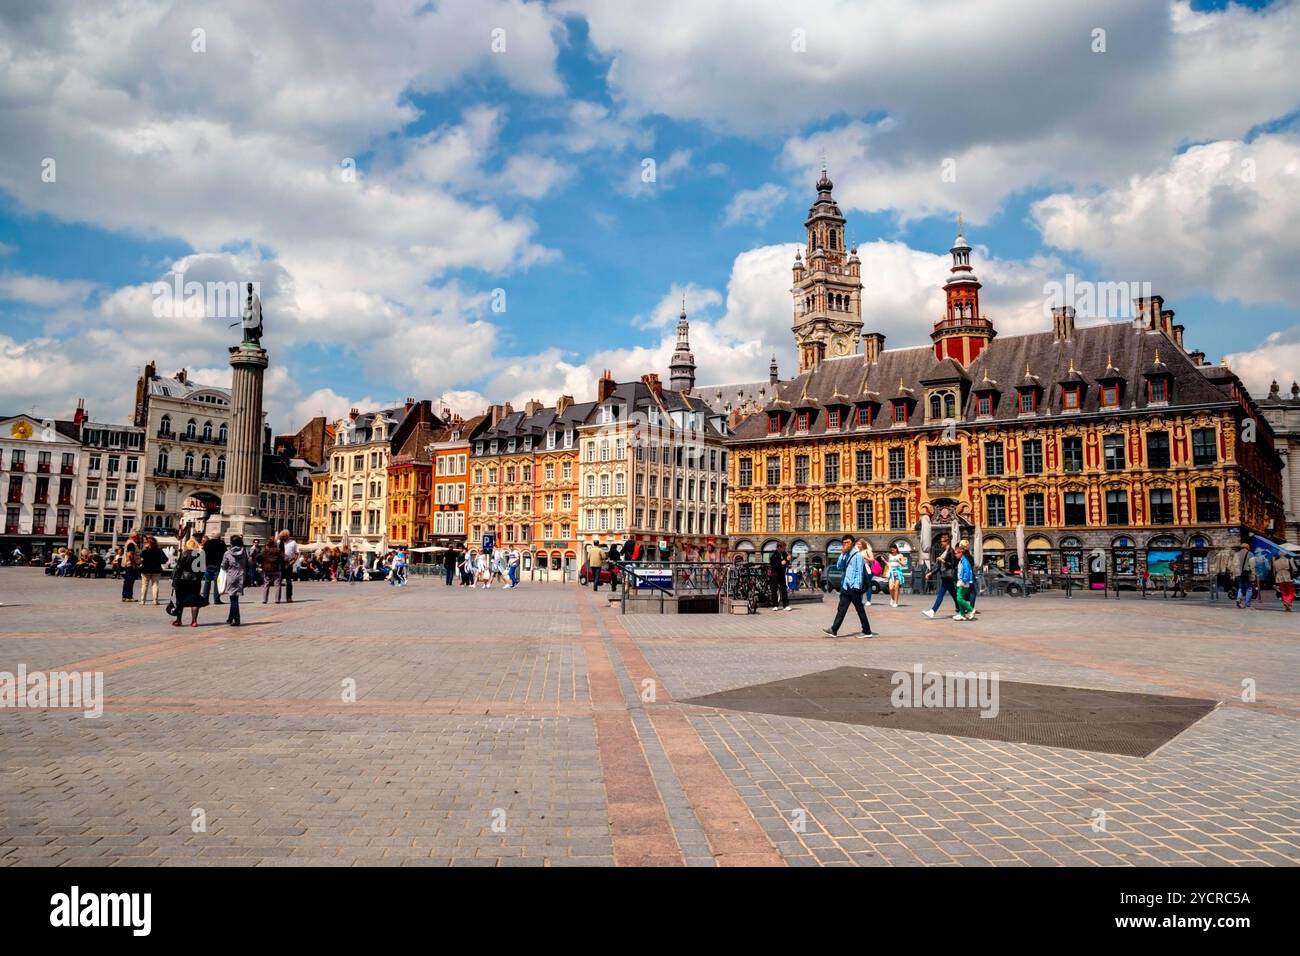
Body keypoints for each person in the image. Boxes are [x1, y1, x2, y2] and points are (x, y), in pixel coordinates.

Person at [823, 536, 873, 639]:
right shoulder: (846, 554)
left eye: (848, 542)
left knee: (860, 609)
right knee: (841, 609)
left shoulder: (858, 555)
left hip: (854, 587)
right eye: (844, 543)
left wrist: (857, 586)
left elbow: (859, 572)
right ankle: (834, 630)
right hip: (846, 586)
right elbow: (839, 566)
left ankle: (867, 631)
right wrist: (842, 553)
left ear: (853, 543)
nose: (845, 544)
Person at [170, 538, 206, 628]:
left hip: (182, 580)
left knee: (180, 600)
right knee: (194, 601)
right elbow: (202, 570)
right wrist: (198, 578)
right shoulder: (199, 555)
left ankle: (179, 620)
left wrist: (174, 580)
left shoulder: (184, 554)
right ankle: (194, 621)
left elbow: (178, 568)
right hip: (195, 581)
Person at [922, 533, 958, 619]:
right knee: (954, 595)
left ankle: (932, 611)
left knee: (940, 594)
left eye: (942, 542)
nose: (941, 543)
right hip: (945, 575)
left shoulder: (951, 551)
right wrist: (930, 573)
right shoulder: (944, 551)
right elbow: (938, 566)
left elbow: (953, 564)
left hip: (948, 576)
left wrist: (943, 561)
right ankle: (963, 610)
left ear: (947, 542)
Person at [221, 535, 250, 626]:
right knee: (234, 597)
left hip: (232, 576)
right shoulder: (244, 552)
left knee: (233, 599)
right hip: (241, 575)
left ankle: (237, 619)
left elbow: (224, 566)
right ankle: (230, 617)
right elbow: (248, 563)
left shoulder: (227, 553)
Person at [138, 535, 165, 606]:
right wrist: (159, 562)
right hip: (156, 569)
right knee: (155, 585)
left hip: (145, 569)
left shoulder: (145, 551)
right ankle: (155, 601)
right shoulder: (159, 551)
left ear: (148, 543)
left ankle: (142, 601)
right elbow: (165, 559)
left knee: (144, 585)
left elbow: (140, 558)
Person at [201, 533, 226, 605]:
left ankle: (205, 599)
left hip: (208, 565)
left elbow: (203, 553)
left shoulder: (207, 543)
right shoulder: (221, 543)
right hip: (218, 565)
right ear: (219, 537)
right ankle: (216, 599)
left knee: (207, 582)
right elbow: (225, 553)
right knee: (217, 583)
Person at [953, 544, 976, 621]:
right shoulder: (962, 561)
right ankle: (962, 614)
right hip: (961, 581)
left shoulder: (965, 561)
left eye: (956, 553)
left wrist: (964, 580)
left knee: (959, 598)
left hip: (963, 582)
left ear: (960, 553)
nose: (955, 555)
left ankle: (971, 609)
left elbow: (967, 571)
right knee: (961, 597)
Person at [1230, 541, 1255, 609]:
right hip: (1247, 573)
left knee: (1241, 587)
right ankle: (1248, 605)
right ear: (1247, 547)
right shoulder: (1250, 554)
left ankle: (1239, 598)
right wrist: (1253, 574)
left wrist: (1233, 574)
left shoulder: (1236, 554)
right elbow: (1252, 565)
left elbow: (1233, 565)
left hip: (1238, 574)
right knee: (1249, 588)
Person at [261, 535, 285, 603]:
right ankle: (277, 600)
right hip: (276, 569)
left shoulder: (265, 551)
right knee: (277, 585)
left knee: (266, 584)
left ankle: (264, 600)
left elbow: (259, 557)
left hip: (267, 569)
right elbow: (283, 557)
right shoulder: (278, 550)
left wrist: (263, 563)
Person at [769, 542, 792, 611]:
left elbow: (786, 563)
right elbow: (773, 565)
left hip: (782, 573)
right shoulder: (773, 554)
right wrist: (781, 563)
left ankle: (786, 605)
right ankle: (775, 605)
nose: (785, 549)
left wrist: (788, 559)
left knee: (784, 589)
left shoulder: (784, 553)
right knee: (774, 589)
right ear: (779, 547)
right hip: (775, 573)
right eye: (783, 548)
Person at [120, 531, 141, 602]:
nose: (138, 538)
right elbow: (130, 555)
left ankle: (125, 596)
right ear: (134, 537)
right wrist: (134, 564)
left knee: (127, 581)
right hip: (130, 565)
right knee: (129, 581)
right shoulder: (131, 544)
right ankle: (128, 596)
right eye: (138, 536)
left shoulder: (129, 542)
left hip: (128, 564)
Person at [280, 531, 299, 602]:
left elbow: (297, 553)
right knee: (278, 580)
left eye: (283, 537)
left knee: (288, 581)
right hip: (281, 563)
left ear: (287, 536)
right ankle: (277, 597)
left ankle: (289, 597)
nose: (282, 538)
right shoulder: (280, 542)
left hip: (289, 562)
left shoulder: (293, 542)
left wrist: (293, 561)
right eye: (281, 537)